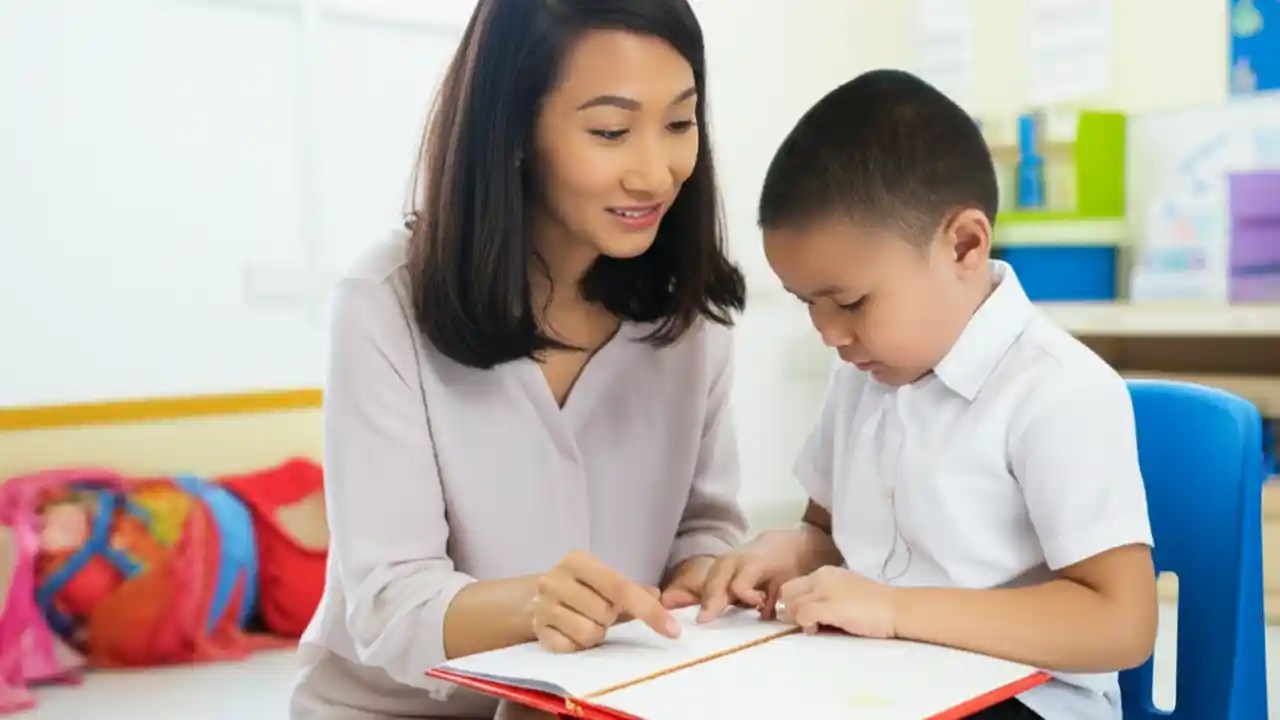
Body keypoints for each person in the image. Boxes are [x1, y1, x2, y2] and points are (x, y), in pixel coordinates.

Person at [289, 1, 749, 717]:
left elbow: (706, 525)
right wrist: (534, 604)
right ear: (513, 131)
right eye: (611, 131)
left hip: (600, 703)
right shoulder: (383, 303)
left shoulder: (689, 317)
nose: (656, 173)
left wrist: (701, 576)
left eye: (680, 123)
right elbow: (389, 603)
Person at [697, 69, 1157, 719]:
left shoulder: (1057, 393)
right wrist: (786, 550)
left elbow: (1120, 623)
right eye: (809, 304)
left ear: (964, 245)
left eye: (851, 301)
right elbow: (826, 536)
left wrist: (892, 608)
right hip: (882, 681)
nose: (829, 332)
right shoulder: (863, 378)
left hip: (1023, 697)